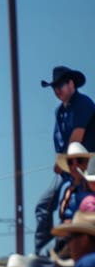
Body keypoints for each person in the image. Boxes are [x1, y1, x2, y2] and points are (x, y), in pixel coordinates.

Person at [36, 66, 95, 254]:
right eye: (54, 87)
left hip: (88, 169)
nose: (57, 90)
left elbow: (76, 139)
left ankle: (65, 245)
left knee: (75, 203)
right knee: (45, 206)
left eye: (60, 85)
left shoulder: (83, 104)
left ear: (71, 84)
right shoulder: (59, 112)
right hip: (70, 171)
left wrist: (63, 162)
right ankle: (46, 251)